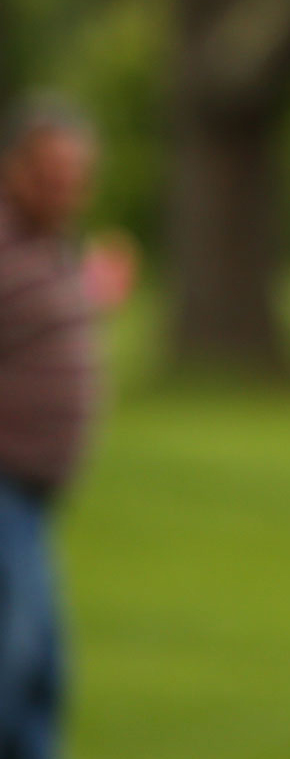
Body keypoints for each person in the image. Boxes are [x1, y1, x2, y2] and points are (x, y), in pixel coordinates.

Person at [0, 98, 101, 758]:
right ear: (15, 169)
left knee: (41, 676)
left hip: (34, 497)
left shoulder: (52, 248)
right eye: (51, 172)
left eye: (76, 175)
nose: (63, 188)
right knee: (16, 668)